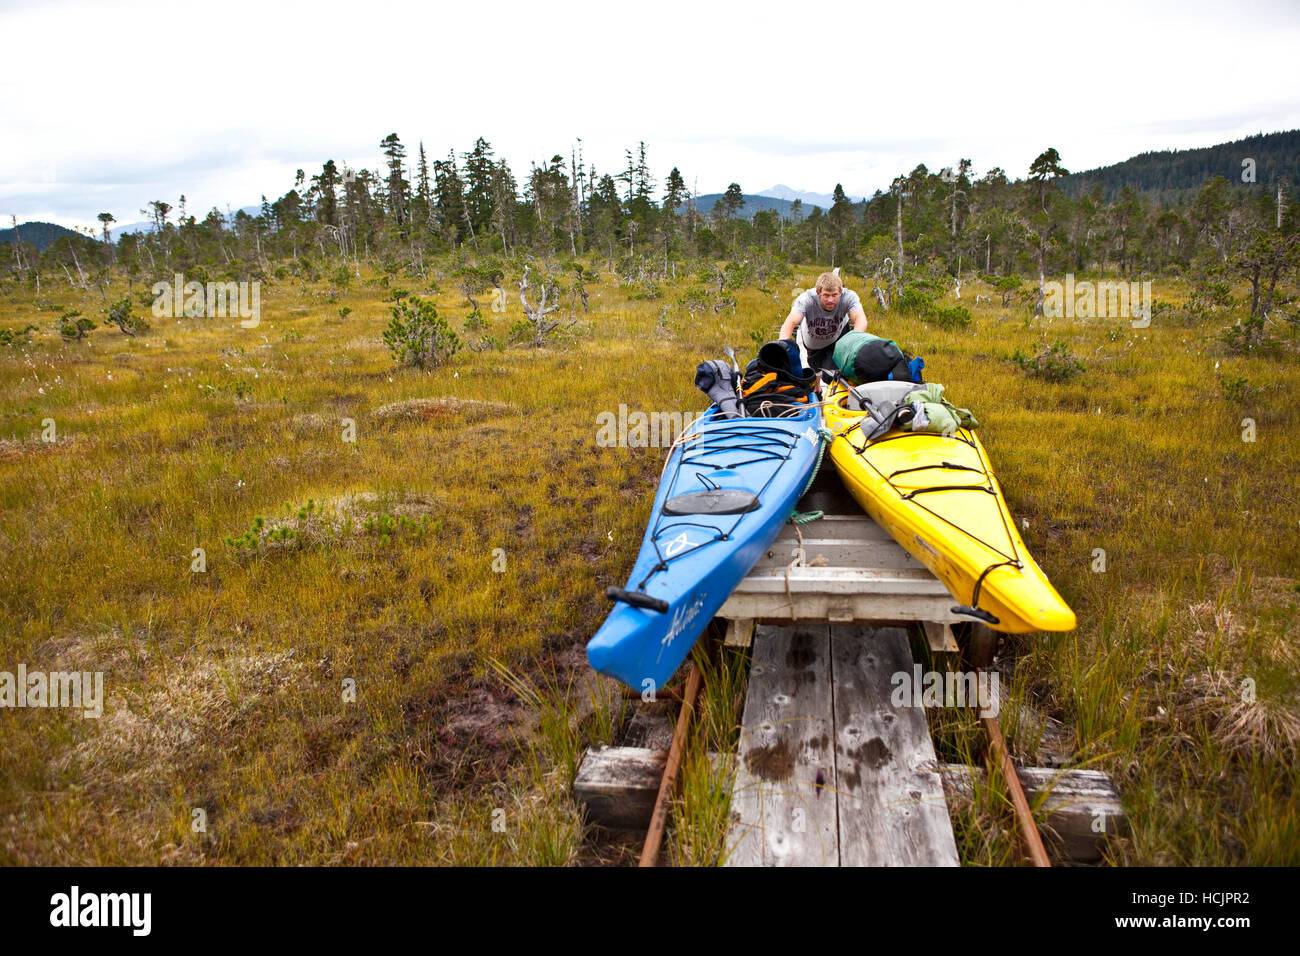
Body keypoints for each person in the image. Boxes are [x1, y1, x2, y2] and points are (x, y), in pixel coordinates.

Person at [779, 271, 868, 381]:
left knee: (833, 376)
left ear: (840, 291)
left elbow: (861, 319)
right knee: (816, 375)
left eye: (834, 295)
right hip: (814, 344)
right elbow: (790, 322)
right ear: (818, 292)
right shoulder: (806, 299)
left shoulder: (849, 296)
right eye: (826, 295)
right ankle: (819, 390)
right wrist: (782, 348)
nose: (830, 300)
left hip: (838, 337)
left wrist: (853, 345)